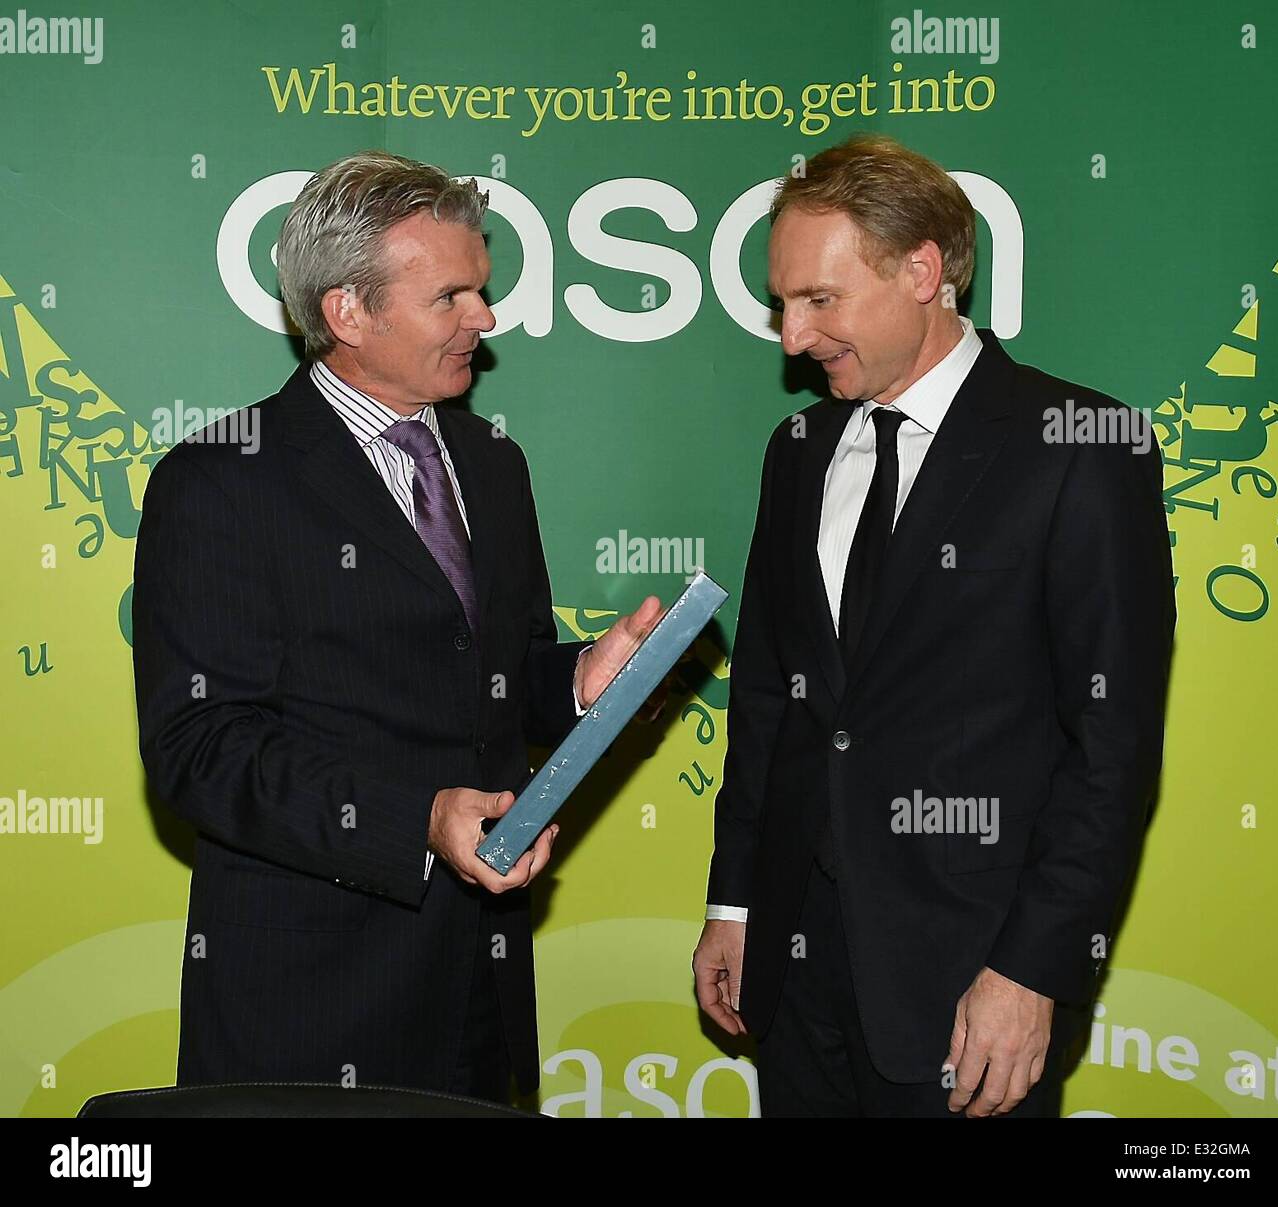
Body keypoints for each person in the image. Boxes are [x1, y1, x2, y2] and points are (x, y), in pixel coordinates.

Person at [133, 150, 661, 1103]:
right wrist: (416, 819)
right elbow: (199, 748)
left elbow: (501, 677)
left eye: (483, 291)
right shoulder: (221, 479)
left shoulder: (493, 462)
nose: (486, 319)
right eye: (451, 296)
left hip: (482, 994)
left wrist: (583, 679)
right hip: (308, 1008)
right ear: (347, 312)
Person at [693, 134, 1175, 1117]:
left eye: (818, 300)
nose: (790, 337)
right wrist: (734, 904)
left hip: (972, 985)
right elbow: (769, 703)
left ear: (923, 270)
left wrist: (1032, 972)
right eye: (781, 302)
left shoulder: (1079, 448)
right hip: (796, 977)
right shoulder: (797, 449)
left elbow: (1110, 749)